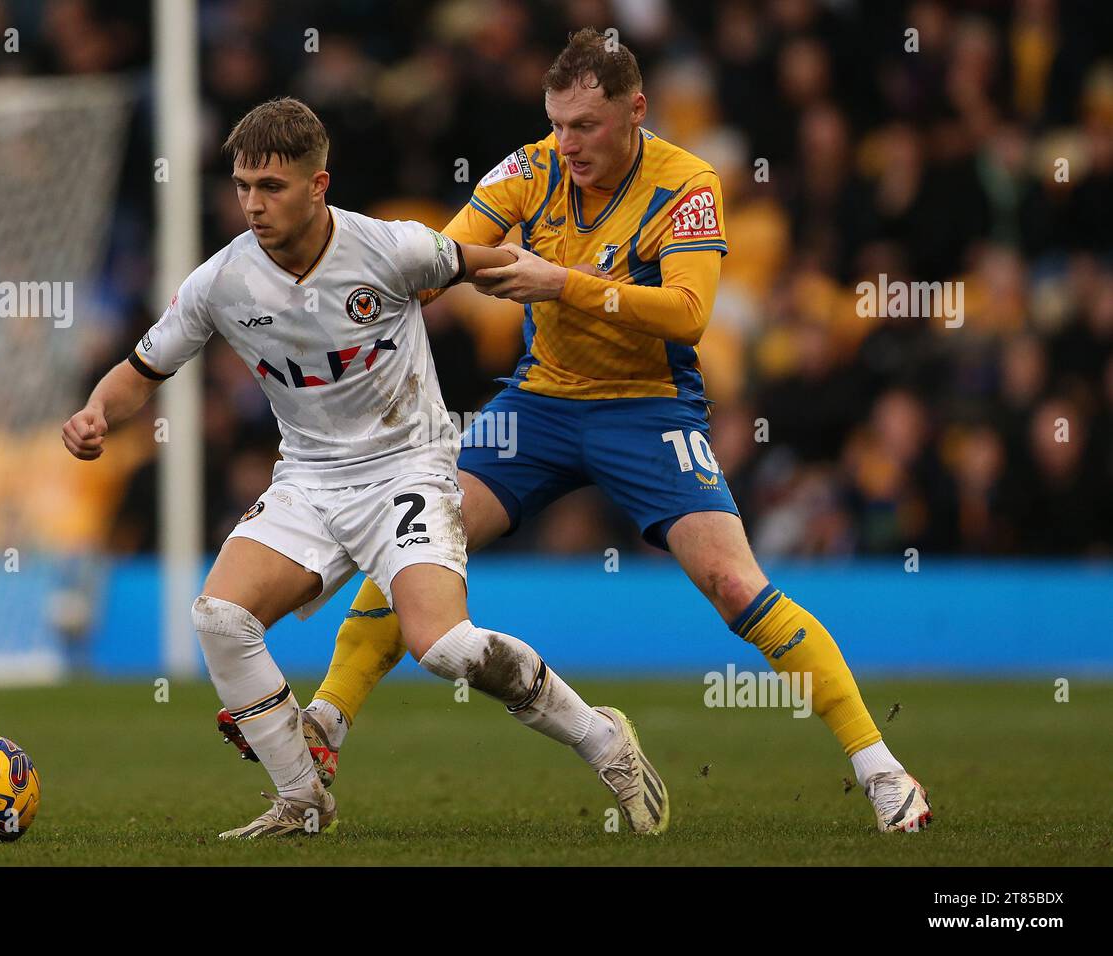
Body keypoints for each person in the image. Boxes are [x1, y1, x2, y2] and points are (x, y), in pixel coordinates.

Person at [251, 31, 931, 833]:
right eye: (558, 124)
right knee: (421, 544)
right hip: (537, 406)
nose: (566, 143)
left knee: (734, 585)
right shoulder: (532, 166)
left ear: (635, 112)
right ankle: (325, 727)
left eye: (585, 126)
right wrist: (347, 293)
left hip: (647, 409)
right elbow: (449, 253)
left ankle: (881, 769)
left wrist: (561, 284)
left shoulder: (686, 184)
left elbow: (690, 311)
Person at [64, 97, 669, 838]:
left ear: (319, 186)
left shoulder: (391, 249)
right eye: (244, 185)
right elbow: (141, 369)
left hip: (408, 470)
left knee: (446, 649)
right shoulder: (220, 282)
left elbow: (493, 264)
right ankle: (303, 799)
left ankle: (603, 739)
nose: (253, 204)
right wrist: (97, 411)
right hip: (309, 484)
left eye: (272, 186)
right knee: (221, 619)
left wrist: (569, 290)